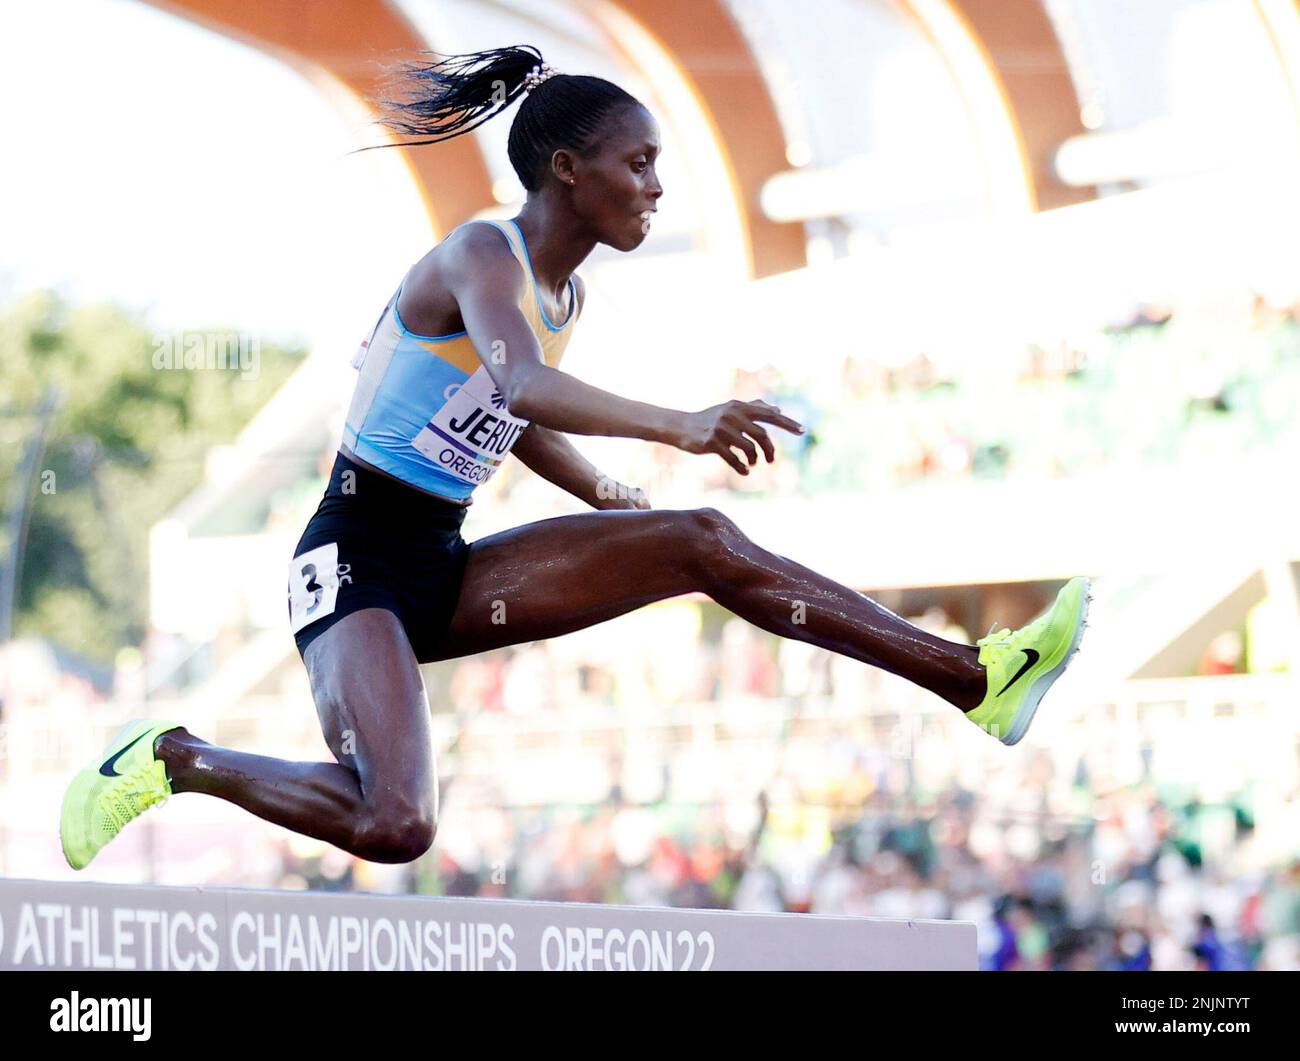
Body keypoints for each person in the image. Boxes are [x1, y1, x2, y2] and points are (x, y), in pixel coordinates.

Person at [60, 46, 1091, 871]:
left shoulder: (566, 296)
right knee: (395, 823)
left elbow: (509, 414)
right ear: (568, 169)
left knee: (701, 540)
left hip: (446, 559)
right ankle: (169, 757)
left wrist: (601, 488)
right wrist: (679, 424)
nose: (653, 188)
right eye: (638, 163)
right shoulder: (478, 253)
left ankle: (976, 679)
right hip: (351, 564)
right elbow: (517, 385)